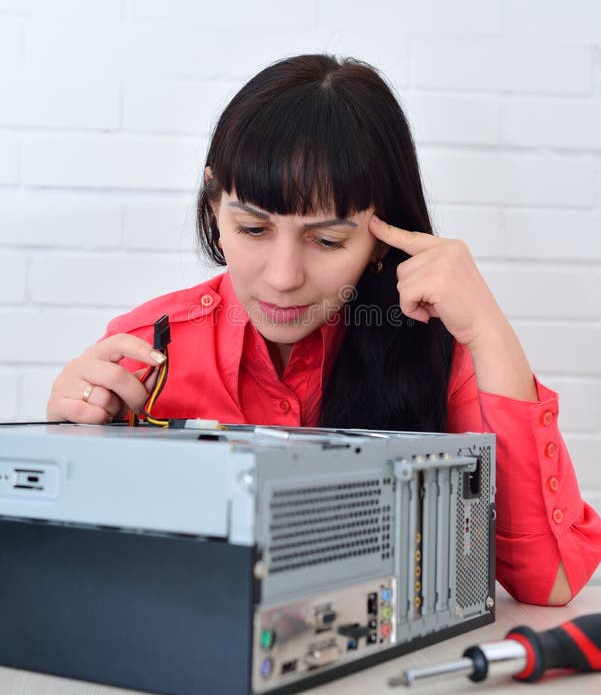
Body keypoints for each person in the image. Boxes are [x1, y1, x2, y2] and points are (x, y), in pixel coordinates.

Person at [47, 53, 601, 607]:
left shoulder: (434, 352)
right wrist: (62, 450)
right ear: (214, 204)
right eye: (253, 228)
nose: (284, 278)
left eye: (328, 241)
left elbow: (548, 581)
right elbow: (75, 579)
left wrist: (489, 330)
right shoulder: (142, 352)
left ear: (382, 235)